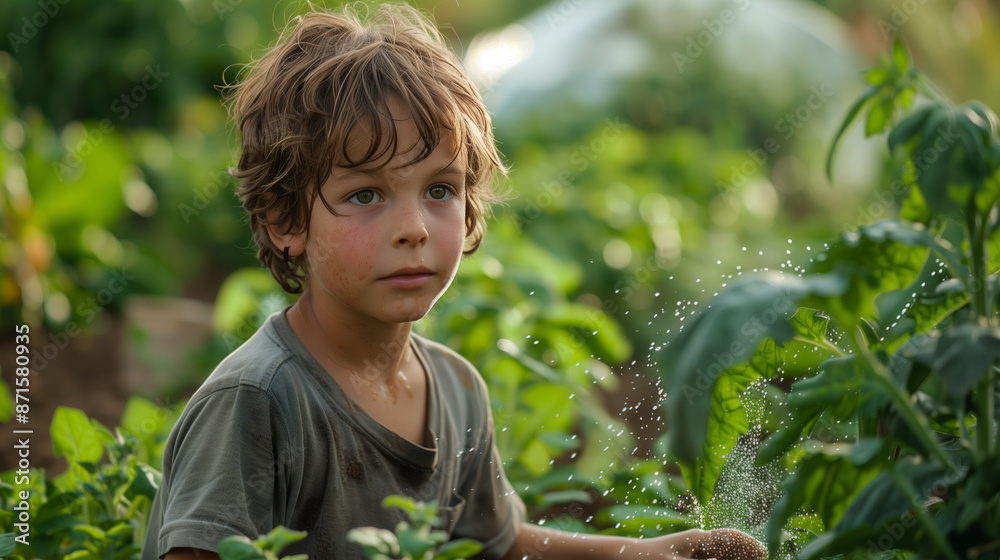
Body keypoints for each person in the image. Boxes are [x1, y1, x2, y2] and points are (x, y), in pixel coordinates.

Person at [142, 3, 767, 560]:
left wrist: (639, 554)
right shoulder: (258, 403)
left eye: (440, 189)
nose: (413, 227)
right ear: (285, 220)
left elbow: (501, 543)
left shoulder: (456, 389)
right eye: (366, 194)